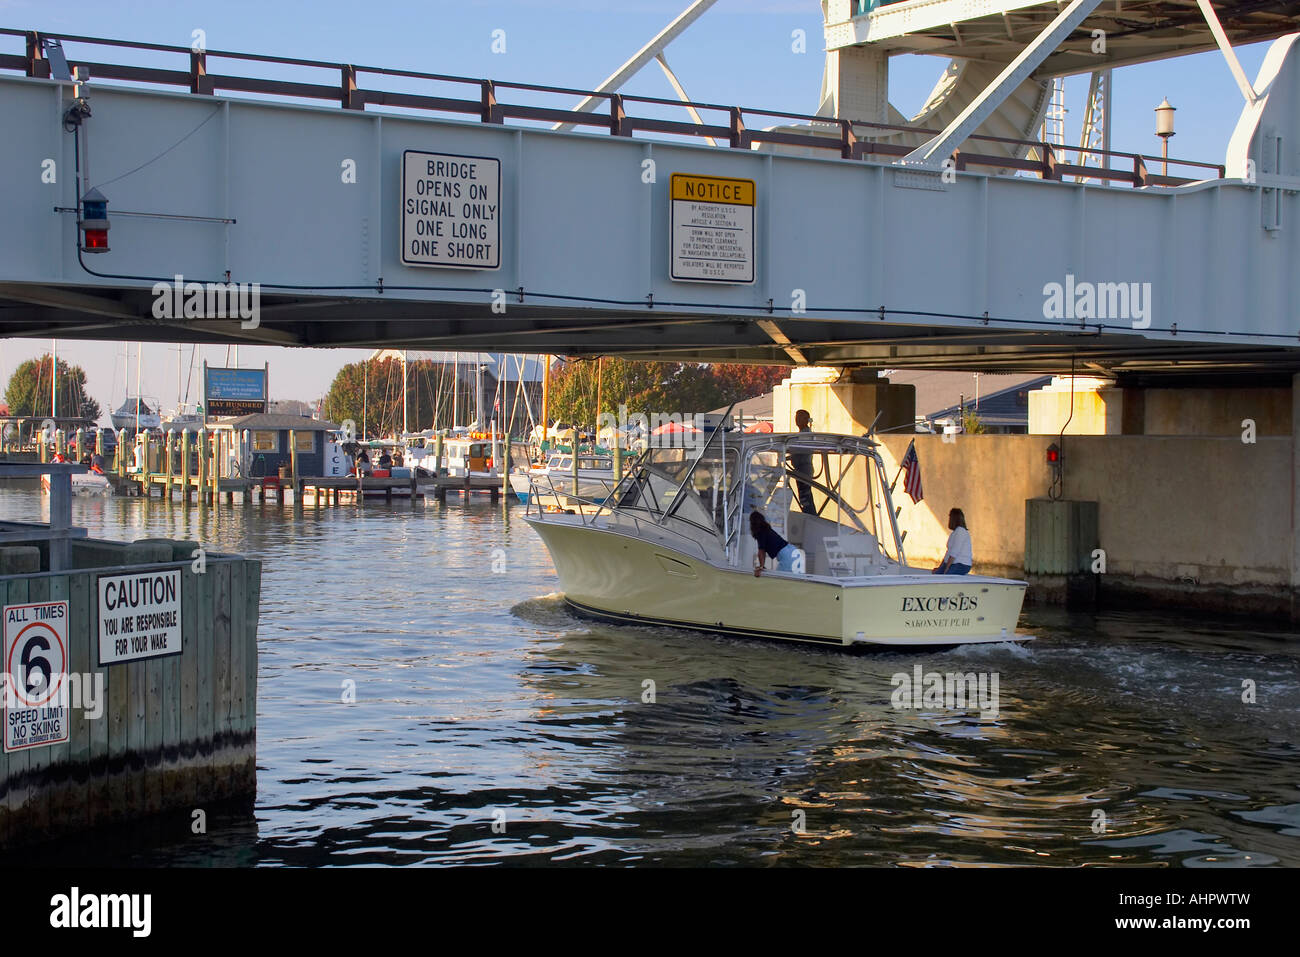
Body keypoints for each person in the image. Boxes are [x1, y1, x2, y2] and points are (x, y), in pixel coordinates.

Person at [750, 510, 799, 577]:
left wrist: (761, 567)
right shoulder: (767, 529)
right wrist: (762, 566)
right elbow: (762, 551)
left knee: (778, 580)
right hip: (794, 551)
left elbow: (761, 551)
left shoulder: (760, 532)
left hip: (787, 556)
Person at [789, 409, 816, 514]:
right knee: (804, 495)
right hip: (800, 468)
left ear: (806, 420)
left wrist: (789, 449)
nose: (797, 420)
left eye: (800, 417)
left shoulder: (806, 434)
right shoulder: (801, 434)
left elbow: (801, 448)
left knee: (805, 496)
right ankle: (809, 514)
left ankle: (810, 515)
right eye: (796, 417)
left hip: (804, 468)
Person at [933, 507, 973, 575]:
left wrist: (947, 569)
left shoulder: (961, 532)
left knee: (945, 577)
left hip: (961, 564)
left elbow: (954, 552)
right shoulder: (954, 533)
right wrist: (940, 568)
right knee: (937, 574)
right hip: (952, 562)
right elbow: (948, 552)